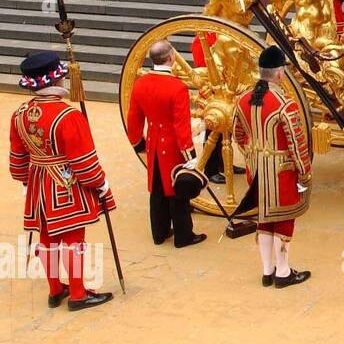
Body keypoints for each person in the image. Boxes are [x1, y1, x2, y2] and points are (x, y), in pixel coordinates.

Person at [9, 50, 115, 311]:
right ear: (56, 81)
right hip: (65, 184)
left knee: (47, 237)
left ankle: (55, 289)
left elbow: (17, 157)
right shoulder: (68, 116)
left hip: (38, 181)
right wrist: (100, 183)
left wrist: (26, 182)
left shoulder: (20, 114)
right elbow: (83, 161)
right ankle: (78, 293)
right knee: (73, 239)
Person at [232, 46, 312, 289]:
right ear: (279, 74)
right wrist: (304, 172)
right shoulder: (284, 104)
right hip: (281, 171)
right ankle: (284, 271)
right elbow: (297, 143)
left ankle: (267, 270)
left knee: (263, 219)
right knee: (284, 220)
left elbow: (238, 134)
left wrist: (253, 155)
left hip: (255, 169)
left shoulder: (243, 99)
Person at [126, 41, 207, 249]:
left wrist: (139, 144)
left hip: (153, 142)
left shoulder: (140, 84)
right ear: (171, 58)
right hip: (172, 146)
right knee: (176, 191)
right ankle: (183, 236)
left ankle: (159, 233)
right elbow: (181, 126)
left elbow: (134, 121)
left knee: (157, 190)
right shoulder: (177, 87)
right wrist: (191, 156)